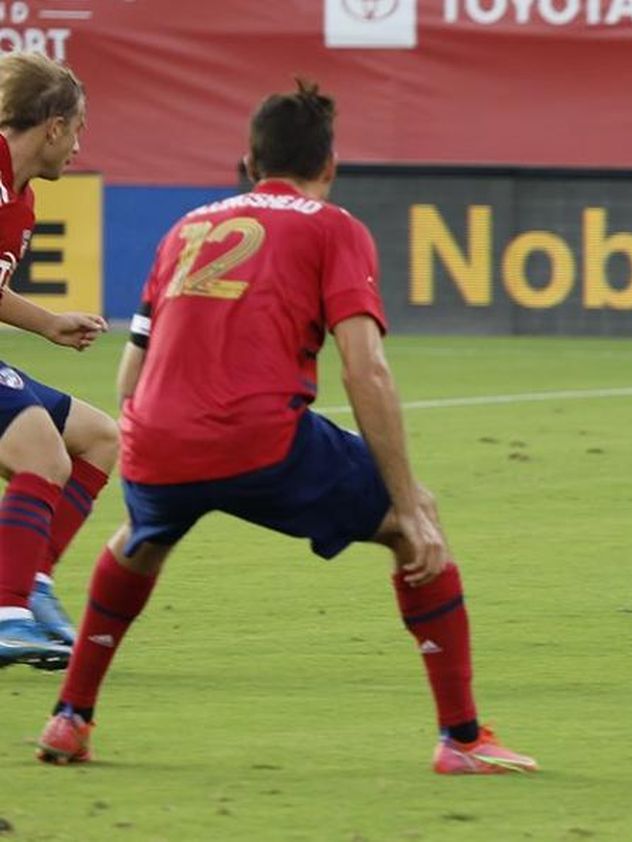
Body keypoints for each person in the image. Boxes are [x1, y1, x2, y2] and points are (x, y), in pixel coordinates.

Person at [35, 79, 537, 774]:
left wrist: (162, 449)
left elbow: (128, 377)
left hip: (156, 436)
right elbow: (367, 372)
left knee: (136, 543)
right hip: (259, 437)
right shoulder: (334, 228)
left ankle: (70, 718)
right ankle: (461, 738)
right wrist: (408, 496)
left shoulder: (186, 227)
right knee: (413, 527)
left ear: (248, 161)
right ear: (329, 166)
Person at [0, 52, 117, 670]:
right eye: (77, 129)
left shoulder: (20, 207)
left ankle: (32, 583)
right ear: (52, 127)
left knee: (97, 437)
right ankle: (6, 612)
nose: (77, 145)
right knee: (41, 454)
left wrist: (47, 322)